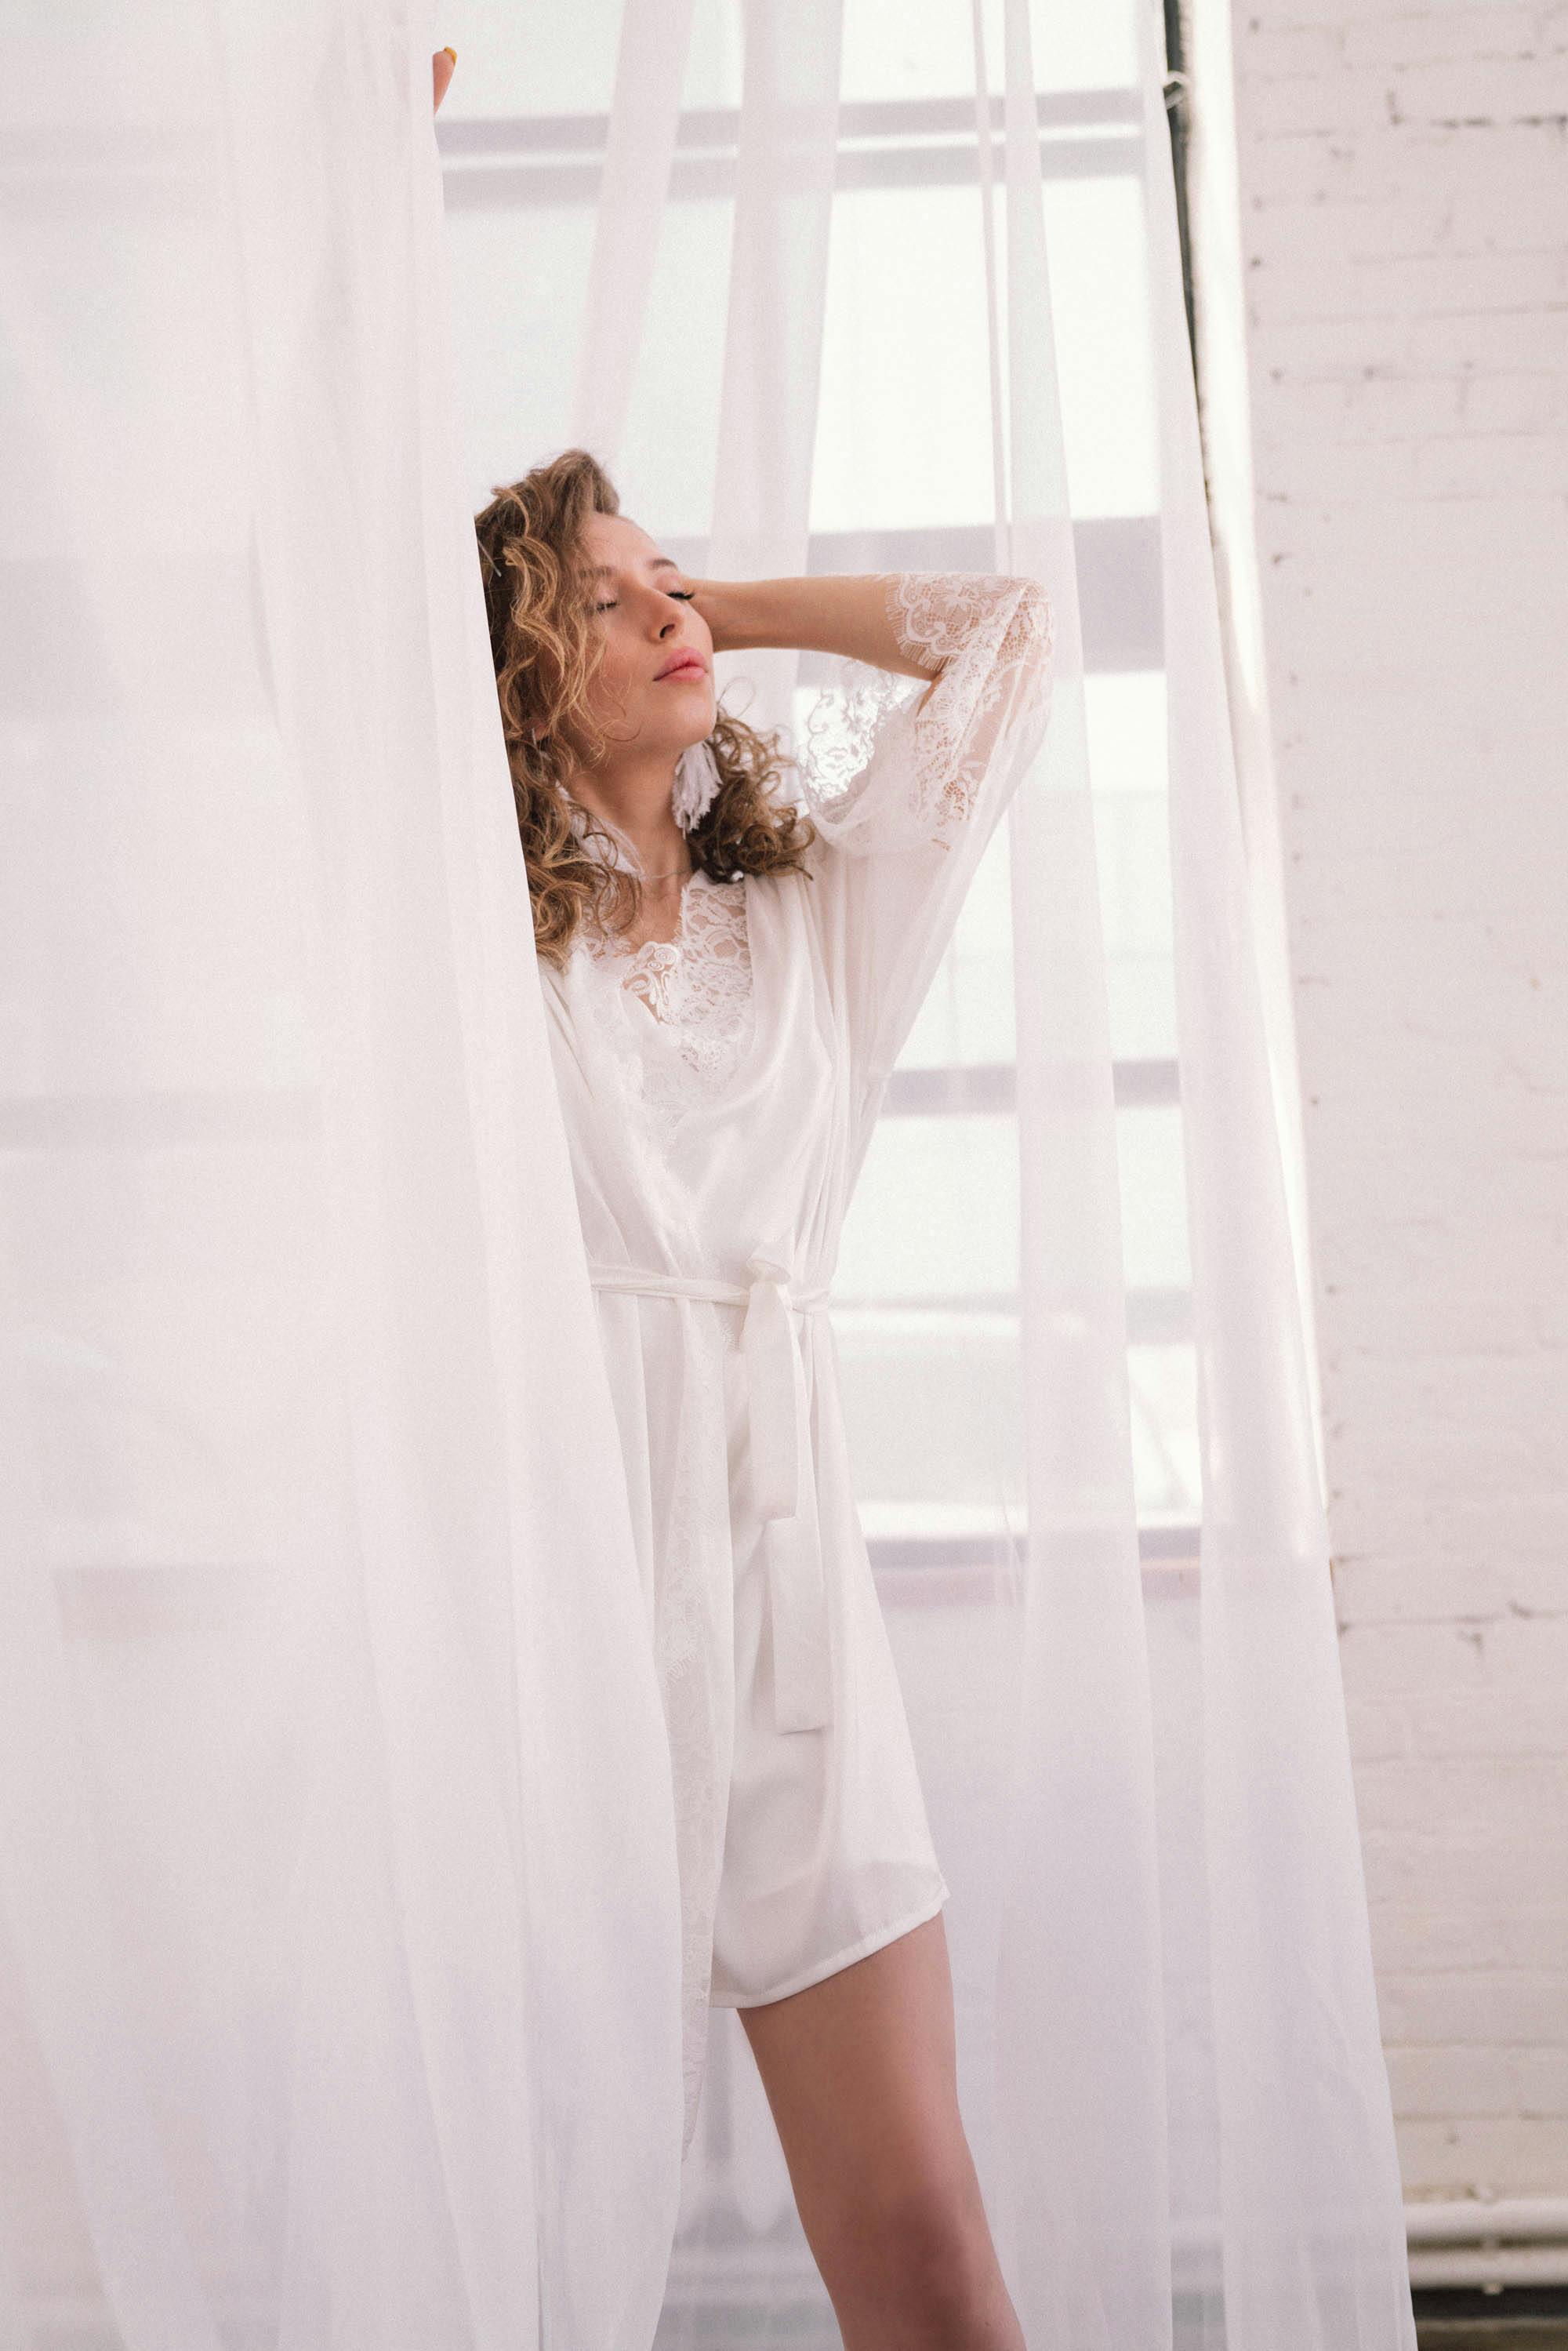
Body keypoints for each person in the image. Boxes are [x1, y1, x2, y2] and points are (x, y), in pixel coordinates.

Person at [474, 447, 1053, 2349]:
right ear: (504, 664)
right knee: (528, 2245)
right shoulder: (469, 945)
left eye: (673, 584)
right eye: (606, 596)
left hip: (792, 1624)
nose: (664, 616)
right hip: (547, 1612)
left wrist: (721, 595)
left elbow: (1012, 636)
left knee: (926, 2241)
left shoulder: (813, 922)